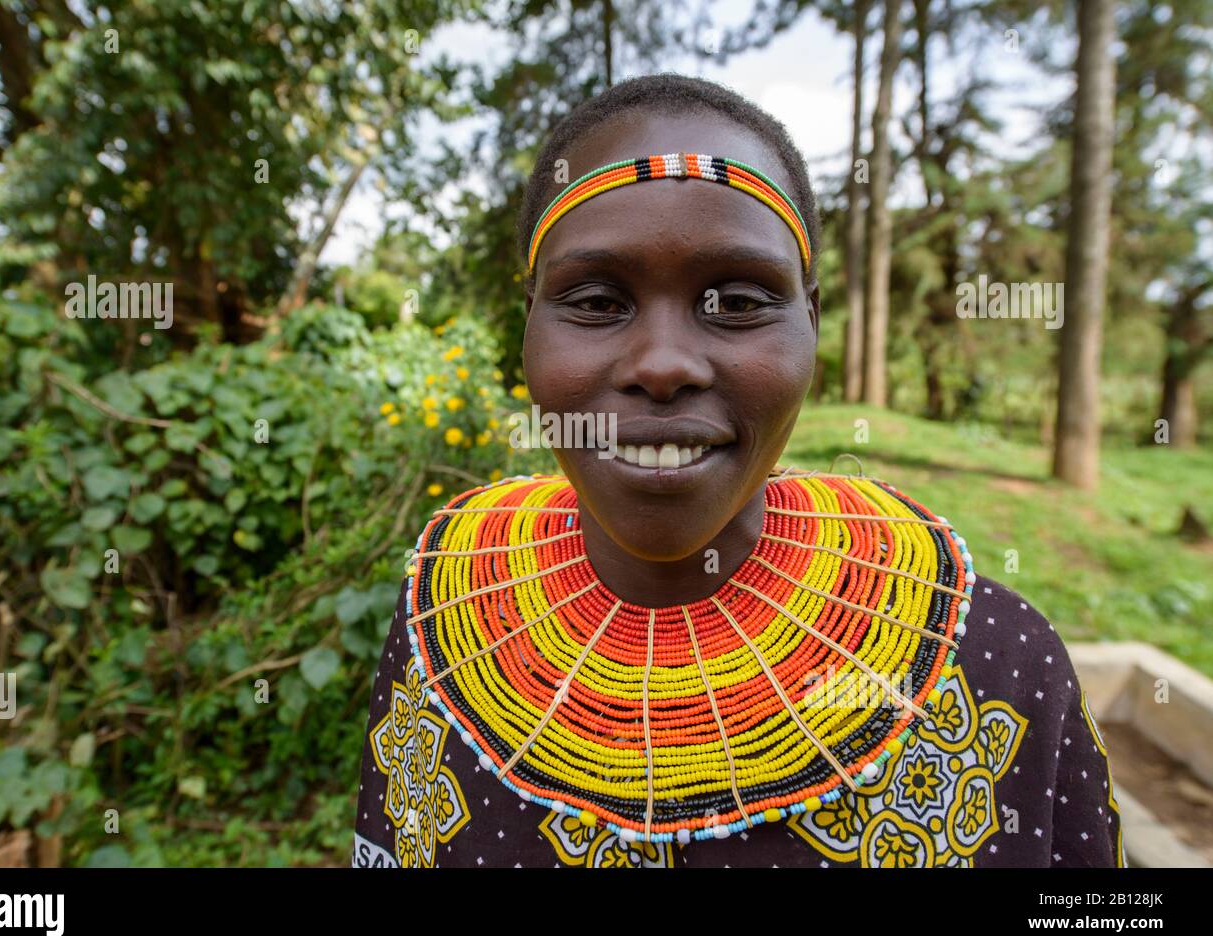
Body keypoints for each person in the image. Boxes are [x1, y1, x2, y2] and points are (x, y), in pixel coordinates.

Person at [350, 73, 1123, 868]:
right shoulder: (445, 622)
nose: (663, 365)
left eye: (739, 301)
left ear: (811, 327)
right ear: (529, 331)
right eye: (595, 300)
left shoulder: (998, 667)